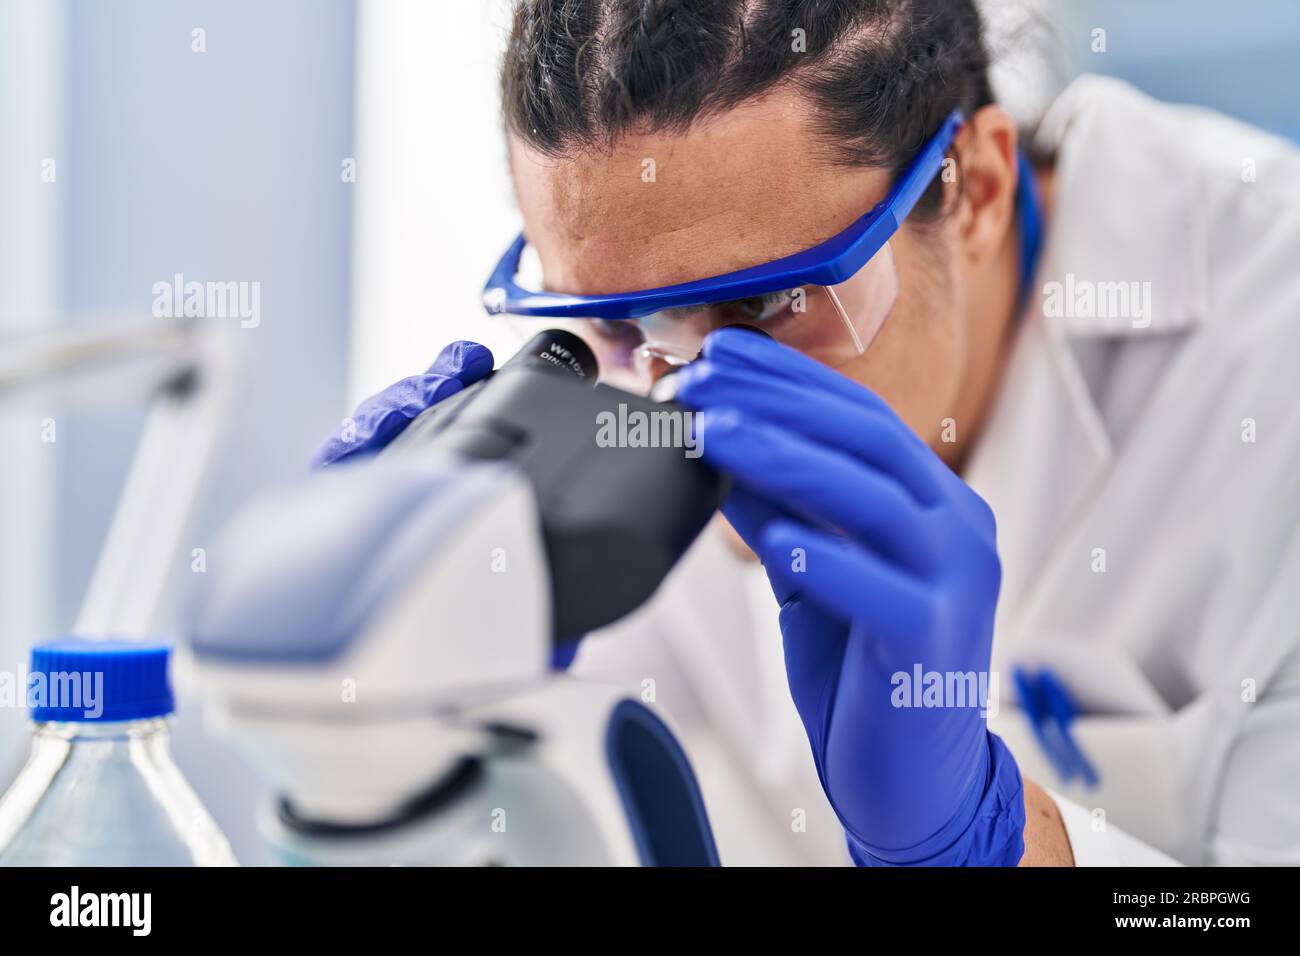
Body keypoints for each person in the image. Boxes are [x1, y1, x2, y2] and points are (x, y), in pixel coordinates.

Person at [313, 0, 1300, 866]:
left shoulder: (1267, 363)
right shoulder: (618, 422)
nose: (687, 405)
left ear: (978, 191)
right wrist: (394, 766)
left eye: (774, 302)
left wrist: (991, 849)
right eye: (618, 321)